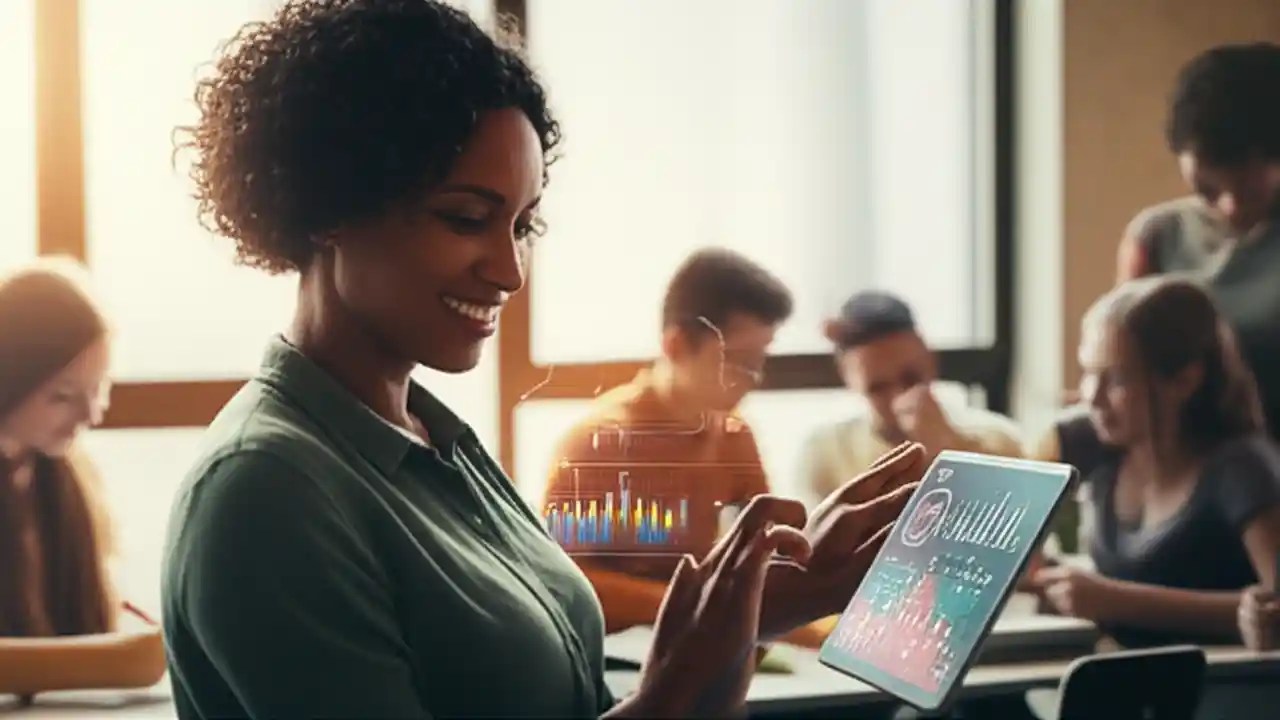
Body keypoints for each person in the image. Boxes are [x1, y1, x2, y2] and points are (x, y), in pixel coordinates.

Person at [160, 2, 924, 717]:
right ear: (331, 204)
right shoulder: (269, 490)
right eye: (467, 219)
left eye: (523, 226)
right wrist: (673, 693)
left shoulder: (432, 443)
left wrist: (765, 600)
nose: (510, 271)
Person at [539, 247, 793, 636]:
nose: (753, 377)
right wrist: (699, 605)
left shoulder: (734, 436)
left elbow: (768, 555)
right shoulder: (598, 446)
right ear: (675, 346)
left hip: (700, 642)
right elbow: (561, 583)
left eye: (760, 361)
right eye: (739, 360)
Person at [1029, 277, 1280, 648]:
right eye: (1088, 372)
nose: (1091, 397)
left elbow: (1274, 610)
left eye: (1115, 378)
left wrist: (1115, 602)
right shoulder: (1098, 448)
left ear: (1184, 380)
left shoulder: (1241, 468)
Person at [0, 258, 165, 698]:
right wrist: (119, 659)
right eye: (63, 395)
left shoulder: (66, 477)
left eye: (99, 389)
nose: (91, 416)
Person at [1117, 42, 1280, 436]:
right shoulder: (1157, 236)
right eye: (1207, 189)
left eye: (1248, 188)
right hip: (1190, 468)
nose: (1229, 206)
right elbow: (1128, 367)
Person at [797, 291, 1023, 509]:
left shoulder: (998, 440)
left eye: (911, 378)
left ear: (930, 360)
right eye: (878, 388)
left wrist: (951, 452)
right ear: (848, 379)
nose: (899, 399)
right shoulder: (826, 451)